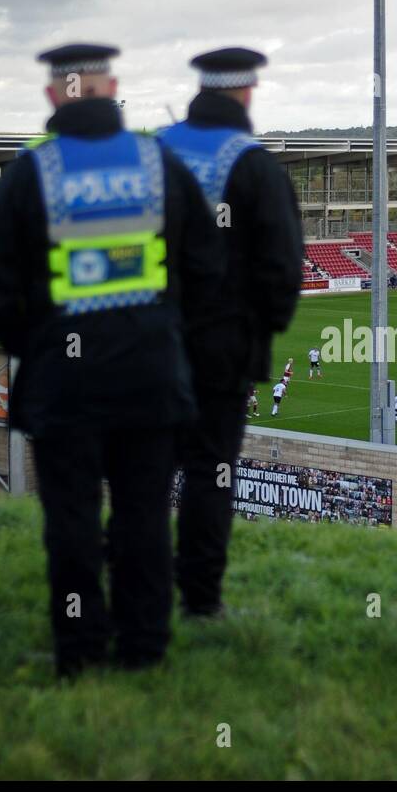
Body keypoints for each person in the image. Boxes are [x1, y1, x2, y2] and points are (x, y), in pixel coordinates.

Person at [0, 43, 222, 676]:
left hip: (66, 383)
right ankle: (144, 649)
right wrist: (167, 334)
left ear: (54, 94)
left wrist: (44, 347)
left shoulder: (31, 173)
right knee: (142, 518)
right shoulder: (158, 162)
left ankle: (80, 654)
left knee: (73, 523)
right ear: (112, 86)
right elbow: (206, 268)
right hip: (151, 378)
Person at [160, 47, 303, 619]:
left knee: (144, 468)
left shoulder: (152, 151)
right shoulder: (253, 164)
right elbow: (282, 268)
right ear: (246, 92)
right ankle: (200, 600)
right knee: (210, 471)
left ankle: (131, 579)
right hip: (220, 349)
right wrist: (256, 335)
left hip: (143, 341)